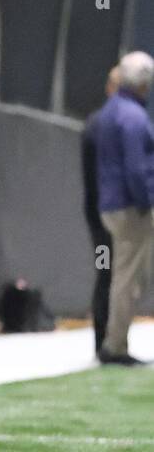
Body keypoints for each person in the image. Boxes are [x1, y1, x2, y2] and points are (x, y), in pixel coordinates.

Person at [92, 51, 154, 366]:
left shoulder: (111, 111)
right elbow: (136, 169)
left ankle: (113, 342)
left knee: (122, 276)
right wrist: (146, 203)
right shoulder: (133, 117)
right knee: (128, 280)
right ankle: (115, 346)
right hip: (131, 209)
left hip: (112, 205)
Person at [82, 65, 121, 356]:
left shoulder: (98, 123)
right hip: (105, 215)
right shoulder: (103, 125)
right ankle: (105, 341)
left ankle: (105, 339)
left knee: (109, 274)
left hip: (100, 212)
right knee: (109, 274)